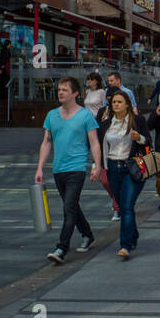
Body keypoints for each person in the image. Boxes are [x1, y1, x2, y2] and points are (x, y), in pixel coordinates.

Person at [35, 76, 103, 264]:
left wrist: (96, 165)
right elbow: (46, 142)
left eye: (65, 89)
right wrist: (40, 168)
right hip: (58, 169)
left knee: (68, 208)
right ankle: (87, 234)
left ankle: (61, 248)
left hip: (77, 168)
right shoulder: (52, 115)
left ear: (75, 93)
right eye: (59, 89)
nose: (60, 92)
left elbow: (94, 143)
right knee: (71, 206)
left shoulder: (85, 116)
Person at [99, 88, 150, 260]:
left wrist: (139, 138)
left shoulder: (137, 121)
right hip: (113, 168)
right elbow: (101, 146)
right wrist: (98, 166)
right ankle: (133, 235)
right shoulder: (106, 124)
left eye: (120, 102)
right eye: (114, 102)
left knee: (127, 206)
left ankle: (125, 245)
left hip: (132, 168)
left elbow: (149, 142)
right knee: (123, 206)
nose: (116, 105)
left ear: (127, 104)